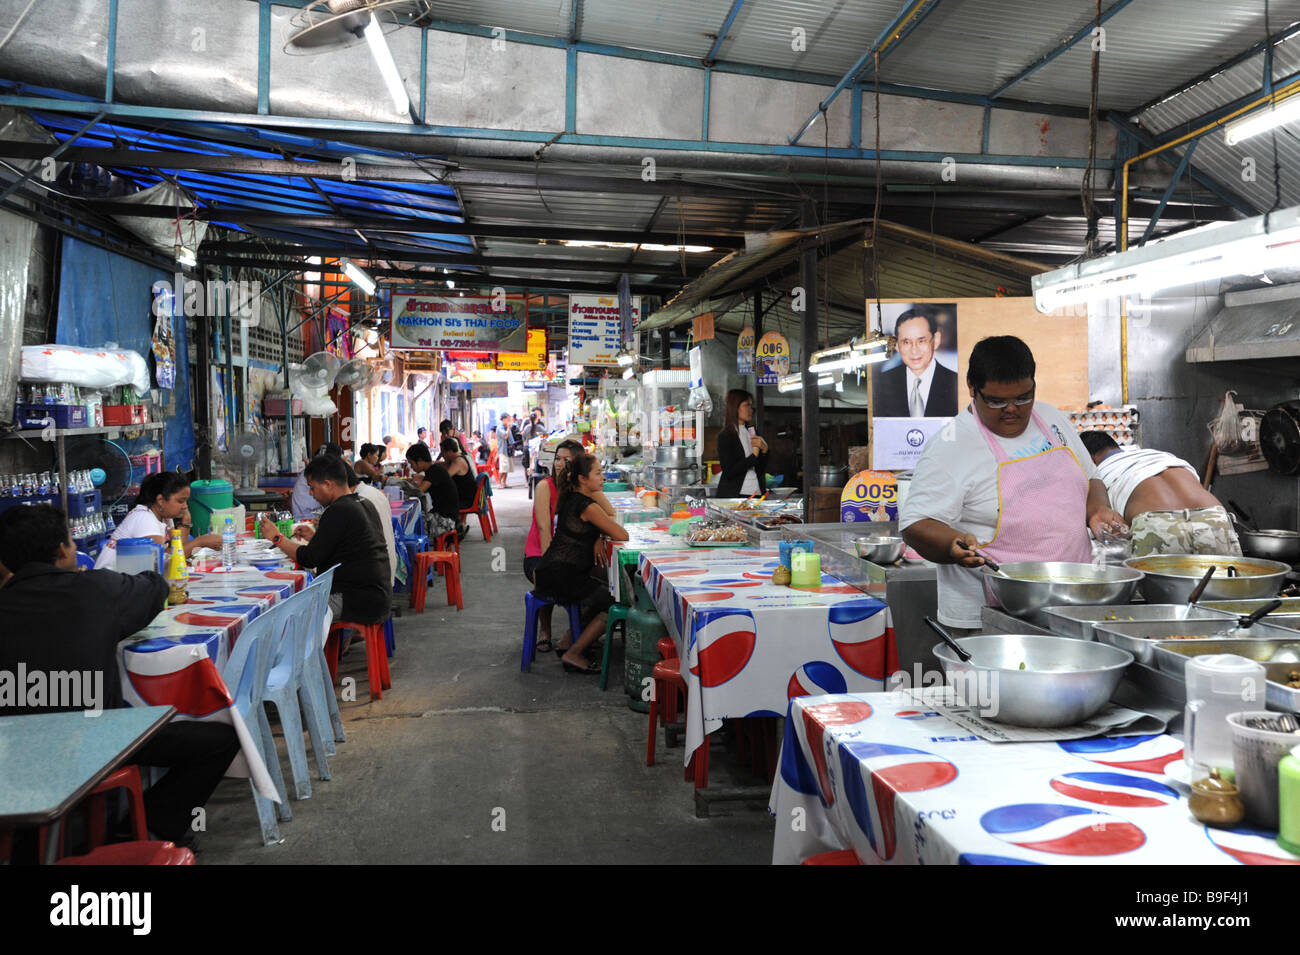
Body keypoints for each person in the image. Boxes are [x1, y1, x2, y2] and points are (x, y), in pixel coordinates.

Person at [0, 504, 241, 848]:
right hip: (98, 744)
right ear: (61, 551)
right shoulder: (98, 591)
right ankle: (147, 827)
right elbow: (156, 586)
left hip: (13, 755)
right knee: (221, 739)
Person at [899, 336, 1126, 635]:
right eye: (996, 401)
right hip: (990, 618)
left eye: (1023, 397)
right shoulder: (950, 446)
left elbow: (1091, 477)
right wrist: (951, 545)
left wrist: (1096, 509)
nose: (1012, 410)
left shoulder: (1050, 417)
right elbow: (915, 523)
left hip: (1071, 603)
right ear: (972, 387)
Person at [258, 454, 390, 626]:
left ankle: (305, 653)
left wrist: (277, 537)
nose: (311, 494)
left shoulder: (339, 510)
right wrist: (315, 538)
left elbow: (309, 558)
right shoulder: (362, 502)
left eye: (312, 488)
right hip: (377, 595)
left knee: (283, 613)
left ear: (328, 484)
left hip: (355, 599)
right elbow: (348, 547)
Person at [533, 453, 629, 674]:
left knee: (599, 595)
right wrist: (604, 535)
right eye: (598, 473)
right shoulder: (587, 506)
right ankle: (574, 652)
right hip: (562, 575)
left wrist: (599, 536)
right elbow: (621, 534)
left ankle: (568, 640)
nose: (603, 478)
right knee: (613, 601)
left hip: (549, 570)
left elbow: (603, 524)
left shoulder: (571, 497)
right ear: (582, 479)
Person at [1080, 431, 1241, 558]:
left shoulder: (1096, 474)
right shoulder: (1161, 455)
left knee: (1160, 597)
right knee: (1226, 593)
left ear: (1091, 459)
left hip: (1159, 523)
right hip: (1214, 516)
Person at [525, 439, 617, 652]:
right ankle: (545, 631)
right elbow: (544, 531)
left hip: (570, 556)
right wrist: (552, 565)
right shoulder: (544, 487)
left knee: (608, 581)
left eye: (566, 460)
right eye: (557, 458)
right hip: (540, 555)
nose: (559, 464)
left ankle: (574, 634)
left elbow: (609, 513)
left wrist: (597, 538)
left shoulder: (585, 488)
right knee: (551, 576)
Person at [94, 472, 223, 569]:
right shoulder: (144, 518)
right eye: (180, 501)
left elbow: (177, 550)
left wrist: (185, 522)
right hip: (112, 586)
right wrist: (201, 541)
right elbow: (161, 560)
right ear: (161, 500)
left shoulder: (163, 516)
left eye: (186, 501)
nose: (185, 506)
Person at [872, 306, 959, 418]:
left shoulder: (956, 382)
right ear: (897, 345)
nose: (914, 350)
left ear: (936, 340)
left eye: (921, 341)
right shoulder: (881, 383)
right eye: (906, 342)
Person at [345, 463, 399, 586]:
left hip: (374, 579)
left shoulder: (359, 501)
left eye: (313, 488)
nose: (311, 494)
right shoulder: (371, 492)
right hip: (385, 570)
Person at [716, 389, 768, 498]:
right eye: (746, 406)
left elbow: (761, 468)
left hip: (757, 494)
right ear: (735, 408)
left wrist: (765, 450)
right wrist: (753, 456)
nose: (751, 410)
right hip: (736, 495)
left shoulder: (752, 431)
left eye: (751, 406)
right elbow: (729, 471)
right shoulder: (725, 436)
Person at [404, 442, 461, 540]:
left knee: (407, 525)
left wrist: (406, 488)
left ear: (420, 460)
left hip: (445, 521)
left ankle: (414, 552)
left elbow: (419, 492)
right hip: (447, 516)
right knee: (411, 519)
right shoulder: (434, 470)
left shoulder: (434, 471)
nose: (411, 466)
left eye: (411, 463)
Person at [496, 414, 518, 488]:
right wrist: (508, 428)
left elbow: (511, 440)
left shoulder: (507, 427)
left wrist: (513, 450)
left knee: (507, 468)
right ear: (503, 420)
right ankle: (499, 483)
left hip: (509, 450)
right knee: (503, 467)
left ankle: (504, 483)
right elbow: (505, 436)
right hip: (503, 450)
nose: (509, 421)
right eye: (508, 419)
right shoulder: (500, 428)